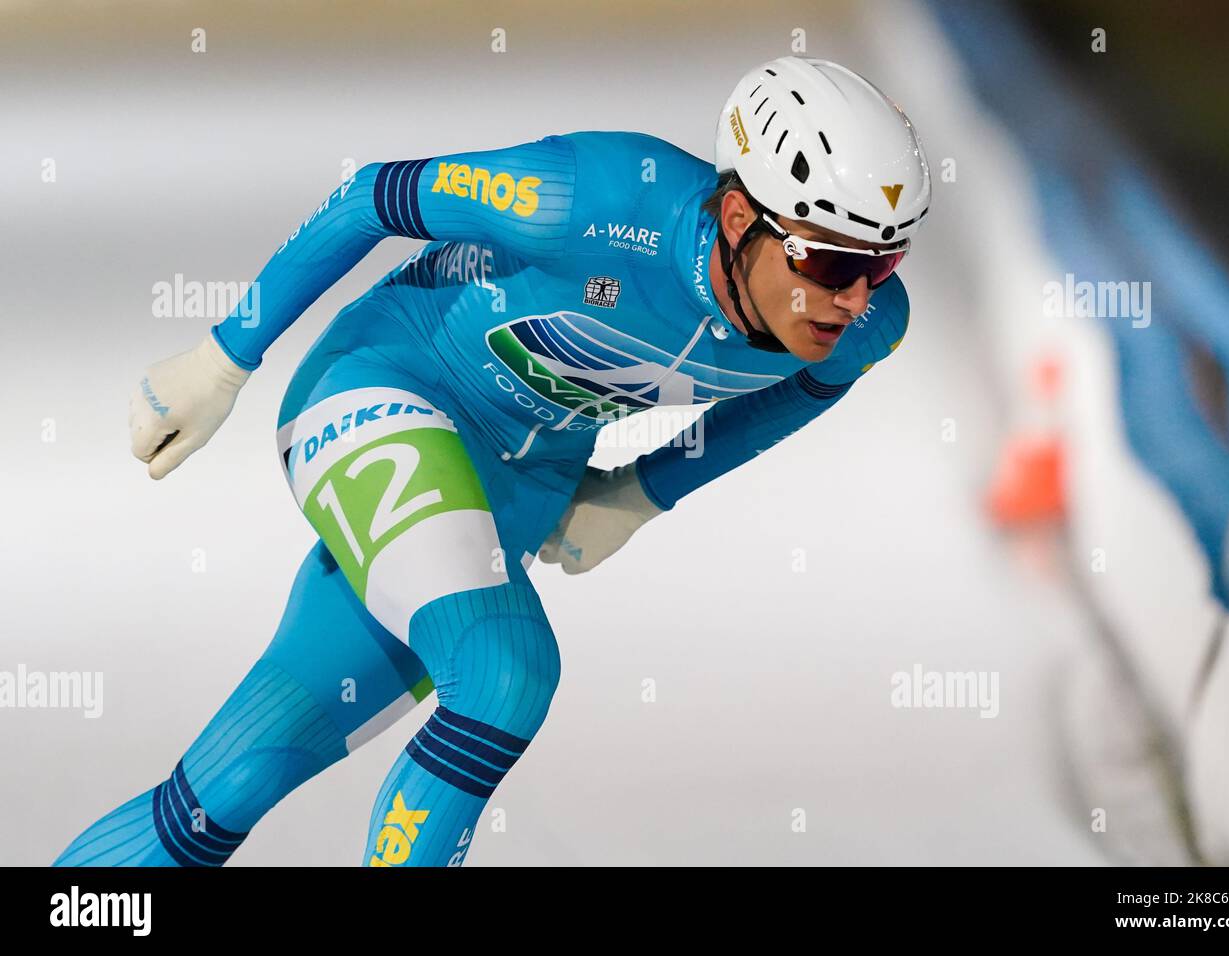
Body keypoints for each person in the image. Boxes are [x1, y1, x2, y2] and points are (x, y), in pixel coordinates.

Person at [54, 54, 930, 867]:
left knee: (226, 789)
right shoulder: (594, 197)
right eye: (828, 258)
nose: (852, 298)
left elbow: (805, 393)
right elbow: (373, 195)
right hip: (383, 388)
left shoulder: (861, 326)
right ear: (739, 218)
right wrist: (222, 359)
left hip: (512, 490)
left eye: (882, 262)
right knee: (504, 671)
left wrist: (643, 492)